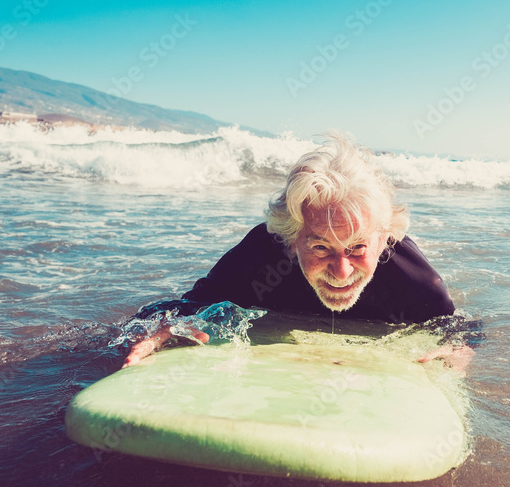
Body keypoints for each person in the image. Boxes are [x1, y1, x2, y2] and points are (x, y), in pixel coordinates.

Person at [124, 132, 473, 371]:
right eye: (320, 246)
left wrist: (458, 351)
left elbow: (461, 329)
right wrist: (170, 326)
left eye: (357, 248)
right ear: (292, 238)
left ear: (385, 238)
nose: (341, 271)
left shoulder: (412, 282)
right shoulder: (262, 256)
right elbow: (189, 303)